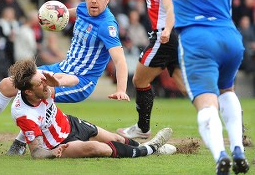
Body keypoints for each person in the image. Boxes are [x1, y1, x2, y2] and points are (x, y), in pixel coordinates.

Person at [0, 0, 131, 155]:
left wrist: (121, 89)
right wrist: (51, 14)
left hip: (80, 81)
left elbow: (120, 60)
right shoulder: (83, 9)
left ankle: (20, 143)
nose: (94, 0)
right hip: (62, 68)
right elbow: (64, 13)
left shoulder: (107, 25)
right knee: (8, 84)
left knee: (36, 93)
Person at [151, 0, 252, 175]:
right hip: (230, 38)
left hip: (197, 39)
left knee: (206, 103)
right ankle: (238, 149)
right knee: (227, 91)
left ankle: (220, 154)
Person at [89, 0, 186, 139]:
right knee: (186, 86)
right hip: (172, 37)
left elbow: (171, 8)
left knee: (139, 81)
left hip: (165, 36)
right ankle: (224, 109)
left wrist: (167, 30)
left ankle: (142, 129)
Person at [9, 59, 175, 159]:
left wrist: (59, 83)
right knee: (98, 148)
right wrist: (52, 153)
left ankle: (148, 148)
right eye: (40, 84)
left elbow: (74, 80)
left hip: (70, 123)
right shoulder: (24, 114)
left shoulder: (41, 78)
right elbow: (36, 152)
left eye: (43, 80)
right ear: (29, 91)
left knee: (115, 138)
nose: (45, 84)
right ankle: (151, 149)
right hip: (59, 144)